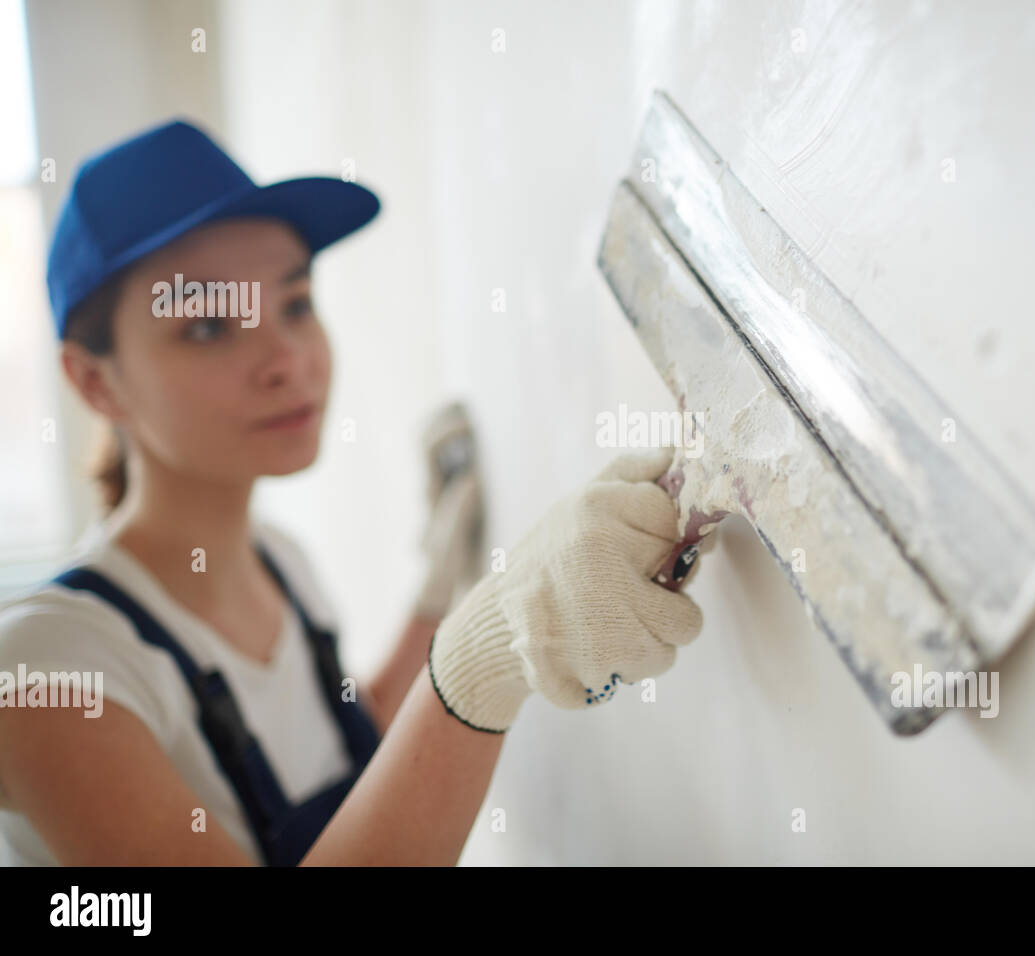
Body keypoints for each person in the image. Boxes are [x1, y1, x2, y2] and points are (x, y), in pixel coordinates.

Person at [0, 119, 704, 866]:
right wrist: (484, 657)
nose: (285, 359)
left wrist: (441, 592)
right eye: (209, 326)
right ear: (93, 380)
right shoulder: (46, 674)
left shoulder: (278, 561)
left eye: (295, 304)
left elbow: (344, 747)